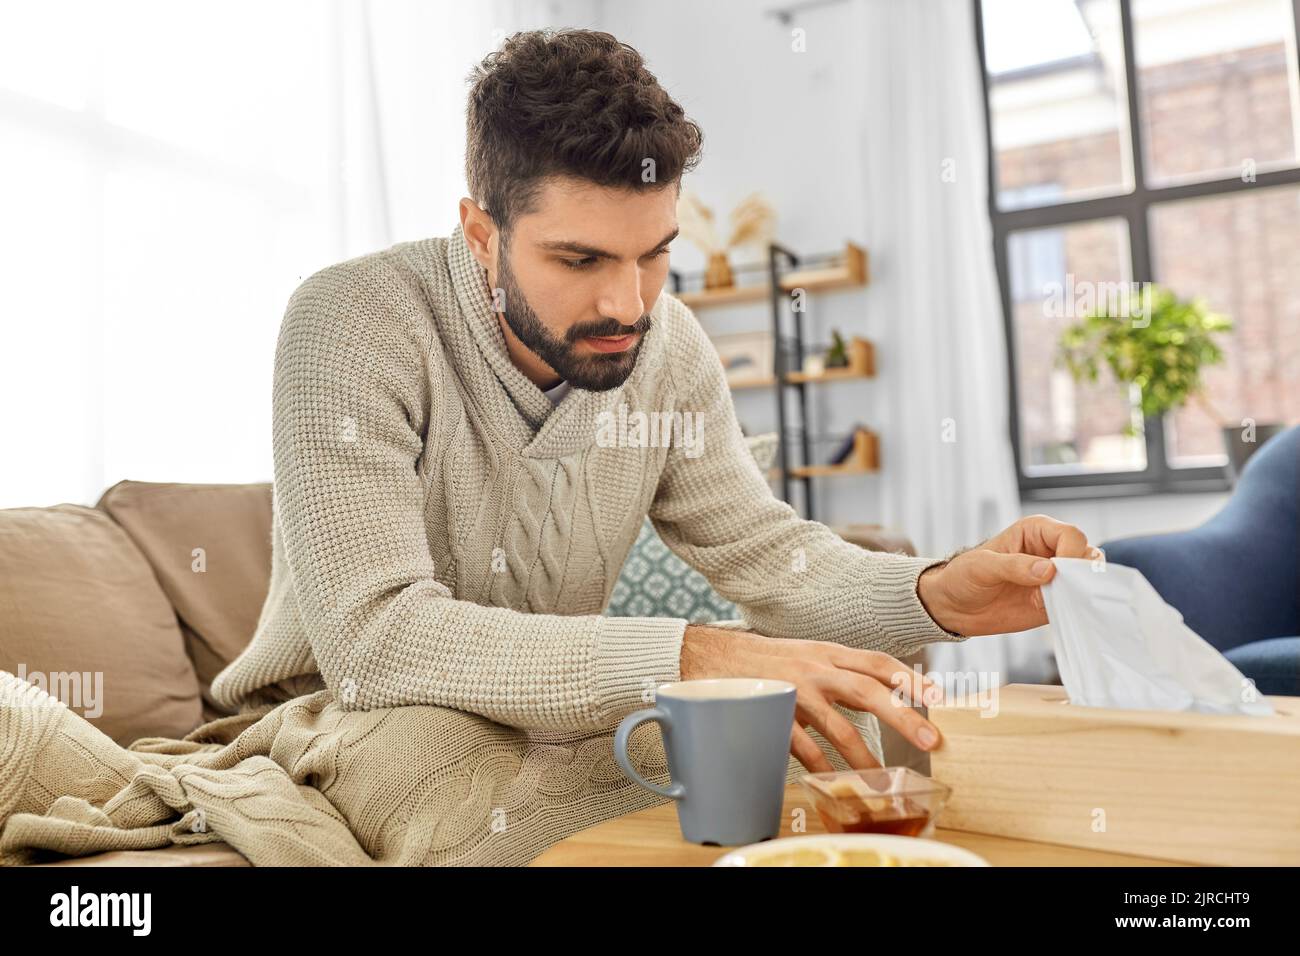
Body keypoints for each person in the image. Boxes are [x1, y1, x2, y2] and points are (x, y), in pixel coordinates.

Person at [207, 27, 1095, 779]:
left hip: (544, 717)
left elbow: (770, 557)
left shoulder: (666, 343)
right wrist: (691, 657)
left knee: (841, 737)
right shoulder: (351, 320)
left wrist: (943, 596)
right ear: (482, 234)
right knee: (460, 762)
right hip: (345, 720)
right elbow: (377, 642)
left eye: (654, 254)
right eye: (580, 261)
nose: (629, 307)